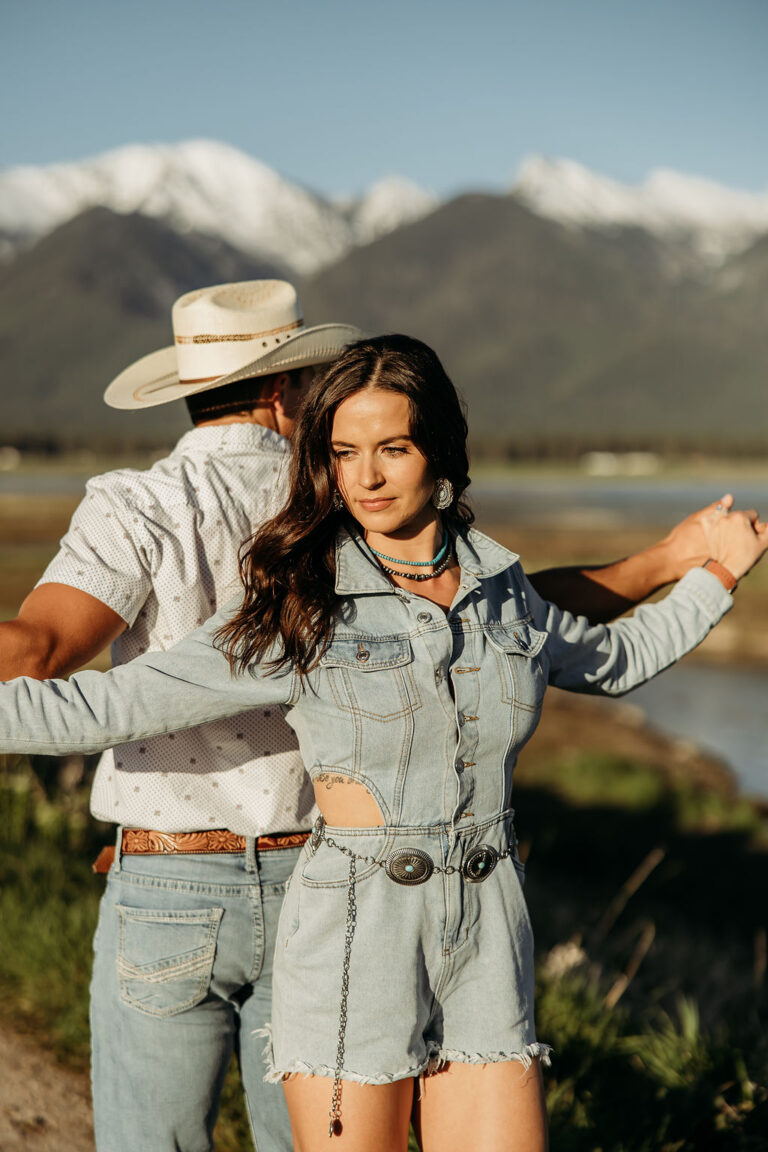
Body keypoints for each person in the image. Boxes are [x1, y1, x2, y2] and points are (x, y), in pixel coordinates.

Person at [1, 334, 763, 1152]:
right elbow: (101, 706)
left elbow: (613, 661)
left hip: (487, 935)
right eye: (343, 452)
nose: (364, 477)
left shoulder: (500, 587)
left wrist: (713, 577)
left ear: (439, 450)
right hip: (352, 941)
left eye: (391, 449)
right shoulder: (301, 604)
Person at [0, 280, 363, 1152]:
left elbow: (31, 655)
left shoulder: (139, 506)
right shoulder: (342, 505)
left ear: (187, 390)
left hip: (169, 885)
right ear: (283, 390)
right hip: (326, 880)